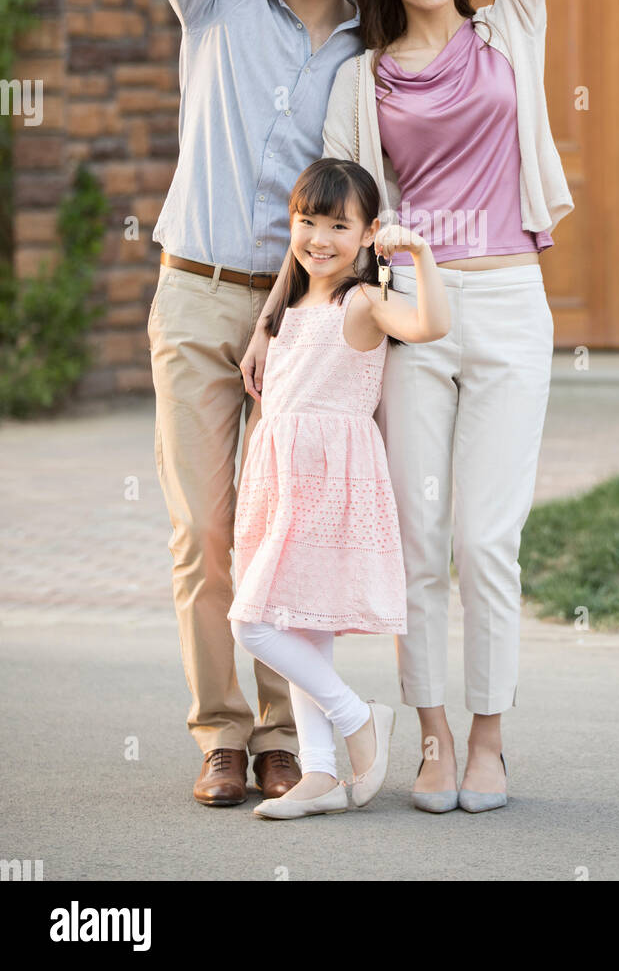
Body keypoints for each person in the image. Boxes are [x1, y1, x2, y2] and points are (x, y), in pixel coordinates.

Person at [326, 0, 574, 812]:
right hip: (412, 308)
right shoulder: (362, 77)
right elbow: (348, 203)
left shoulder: (509, 24)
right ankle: (427, 735)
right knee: (420, 540)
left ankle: (488, 740)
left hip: (510, 298)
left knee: (485, 540)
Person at [139, 0, 368, 806]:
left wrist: (287, 316)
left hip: (301, 317)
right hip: (193, 293)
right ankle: (221, 731)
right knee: (202, 529)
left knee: (279, 530)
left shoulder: (370, 50)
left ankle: (285, 730)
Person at [230, 158, 450, 819]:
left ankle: (359, 718)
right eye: (307, 222)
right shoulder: (291, 304)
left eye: (338, 224)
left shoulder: (363, 301)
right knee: (301, 621)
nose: (320, 238)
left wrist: (420, 254)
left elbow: (431, 326)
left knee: (253, 620)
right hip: (279, 478)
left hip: (331, 485)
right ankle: (321, 774)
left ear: (367, 232)